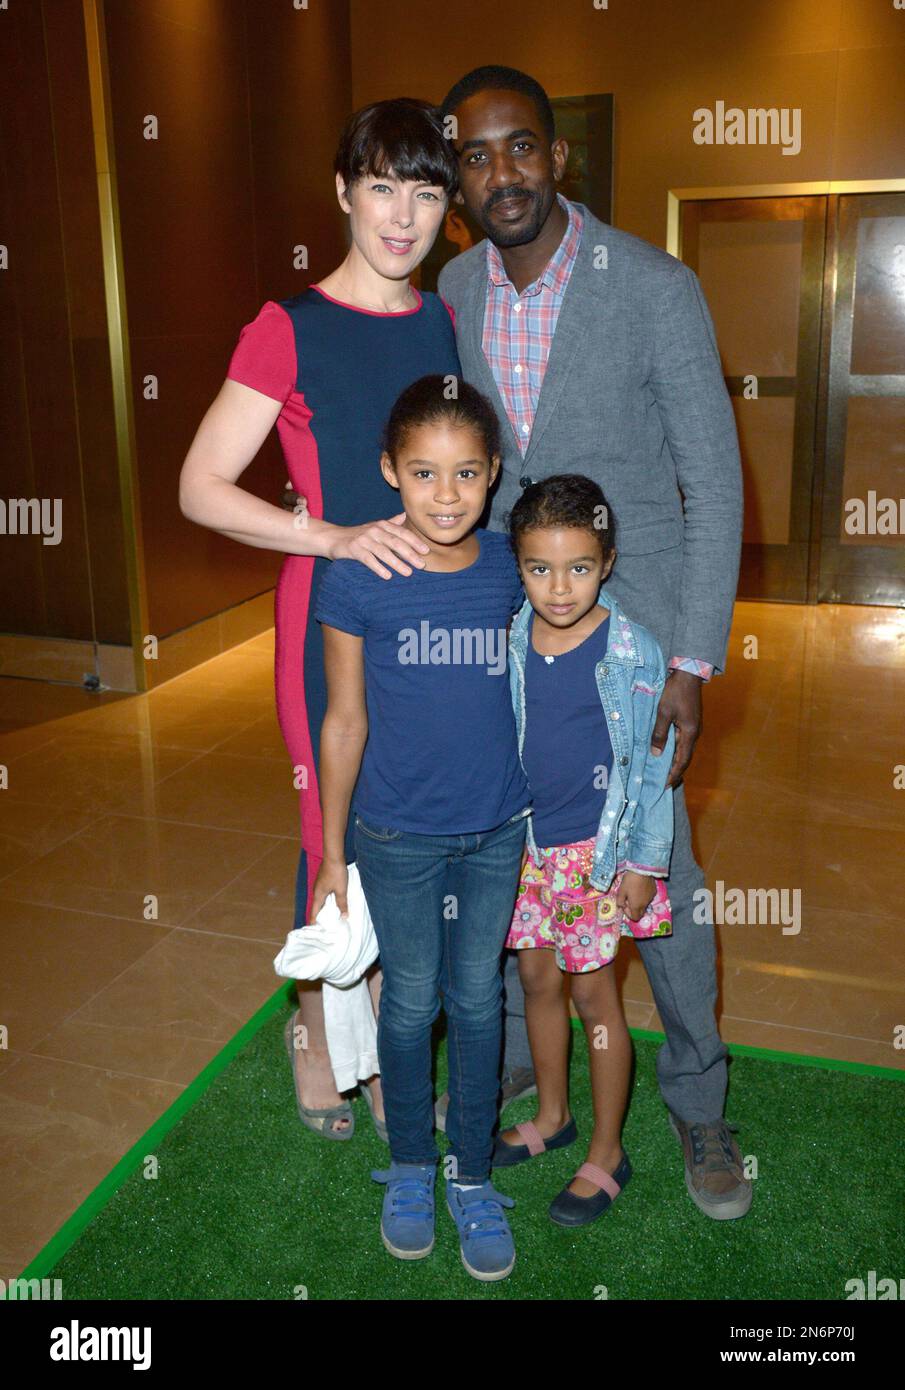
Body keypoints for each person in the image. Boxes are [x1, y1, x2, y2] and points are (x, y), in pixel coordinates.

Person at [436, 65, 751, 1218]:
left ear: (557, 159)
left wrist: (691, 657)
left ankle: (697, 1095)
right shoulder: (456, 287)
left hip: (638, 629)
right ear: (456, 177)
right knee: (518, 844)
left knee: (652, 863)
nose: (500, 172)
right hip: (512, 634)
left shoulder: (653, 286)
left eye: (521, 147)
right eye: (474, 154)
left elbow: (712, 483)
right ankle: (538, 1065)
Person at [179, 99, 460, 1139]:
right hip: (328, 613)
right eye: (380, 186)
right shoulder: (284, 326)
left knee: (408, 830)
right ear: (342, 192)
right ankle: (314, 1029)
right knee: (329, 829)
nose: (401, 215)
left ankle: (386, 1041)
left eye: (424, 191)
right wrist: (333, 535)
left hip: (432, 619)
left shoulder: (440, 321)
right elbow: (201, 486)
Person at [311, 375, 529, 1282]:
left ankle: (470, 1176)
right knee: (409, 1003)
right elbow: (344, 718)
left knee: (477, 1000)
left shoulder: (513, 566)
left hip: (495, 831)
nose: (446, 496)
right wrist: (330, 851)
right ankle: (409, 1166)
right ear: (389, 473)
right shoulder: (356, 574)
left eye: (468, 473)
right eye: (425, 473)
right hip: (394, 834)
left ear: (493, 477)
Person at [493, 474, 674, 1227]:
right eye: (538, 568)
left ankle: (606, 1151)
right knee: (535, 982)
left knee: (595, 998)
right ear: (518, 567)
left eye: (576, 567)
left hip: (598, 860)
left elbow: (654, 765)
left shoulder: (634, 650)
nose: (557, 588)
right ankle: (555, 1115)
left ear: (606, 560)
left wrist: (644, 863)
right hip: (529, 852)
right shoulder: (509, 636)